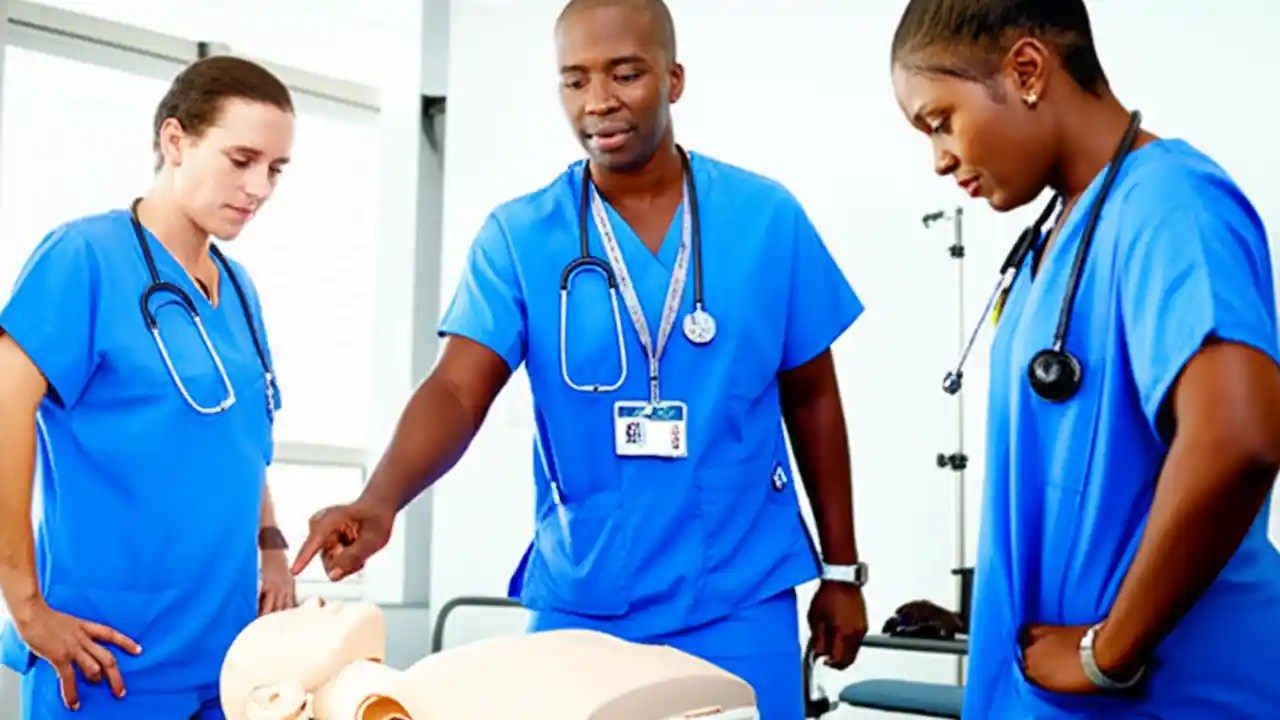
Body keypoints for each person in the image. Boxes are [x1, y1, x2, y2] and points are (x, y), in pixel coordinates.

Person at [292, 0, 869, 717]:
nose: (598, 101)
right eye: (574, 80)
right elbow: (456, 391)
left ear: (674, 78)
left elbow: (812, 396)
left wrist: (842, 570)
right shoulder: (521, 235)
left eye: (625, 74)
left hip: (739, 594)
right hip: (588, 592)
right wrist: (378, 502)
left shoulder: (765, 217)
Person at [890, 1, 1280, 717]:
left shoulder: (1171, 204)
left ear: (1028, 70)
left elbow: (1241, 439)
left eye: (940, 120)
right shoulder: (1060, 230)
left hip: (1171, 693)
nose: (939, 158)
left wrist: (1108, 652)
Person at [0, 54, 299, 719]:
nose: (259, 187)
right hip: (111, 659)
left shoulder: (239, 288)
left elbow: (238, 432)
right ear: (174, 141)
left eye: (275, 170)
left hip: (227, 658)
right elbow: (3, 413)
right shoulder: (84, 258)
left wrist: (272, 546)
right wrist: (26, 610)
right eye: (241, 159)